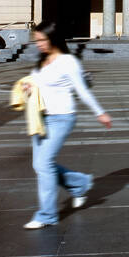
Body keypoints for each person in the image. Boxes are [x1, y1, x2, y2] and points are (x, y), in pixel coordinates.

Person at [21, 22, 112, 229]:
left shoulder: (68, 61)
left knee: (43, 165)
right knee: (41, 165)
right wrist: (28, 86)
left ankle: (47, 215)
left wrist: (100, 113)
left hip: (62, 117)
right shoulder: (42, 61)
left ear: (54, 38)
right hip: (41, 117)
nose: (39, 44)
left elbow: (82, 91)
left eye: (42, 40)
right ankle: (80, 184)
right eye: (36, 40)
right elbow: (37, 84)